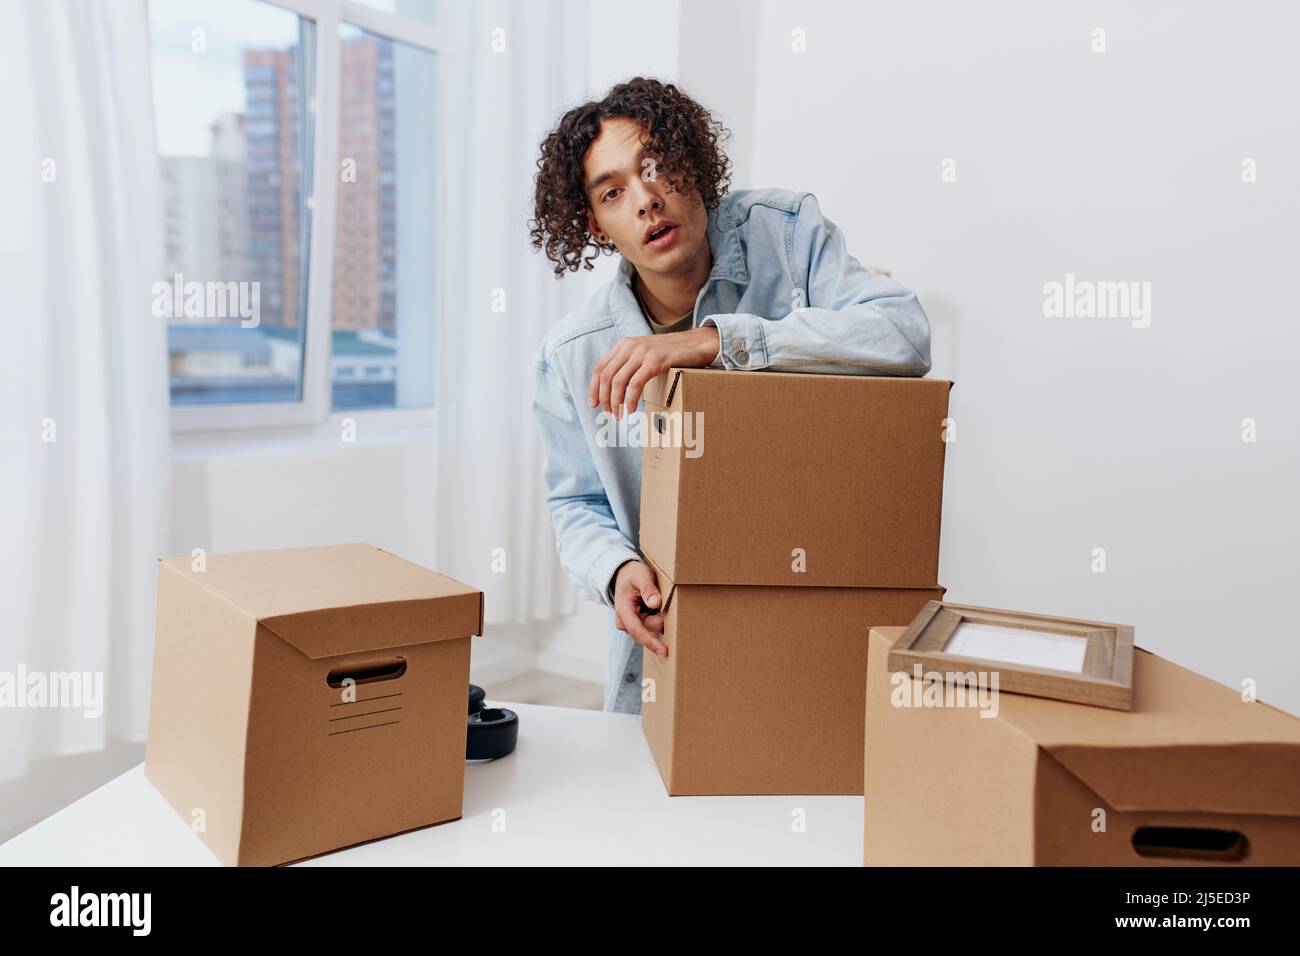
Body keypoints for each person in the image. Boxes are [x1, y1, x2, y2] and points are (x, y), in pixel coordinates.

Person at [529, 77, 932, 714]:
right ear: (596, 225)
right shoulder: (574, 354)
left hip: (822, 608)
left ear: (691, 160)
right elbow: (575, 500)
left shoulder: (789, 232)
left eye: (656, 166)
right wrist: (614, 569)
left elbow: (904, 336)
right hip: (667, 641)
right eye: (614, 193)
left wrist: (720, 343)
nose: (646, 199)